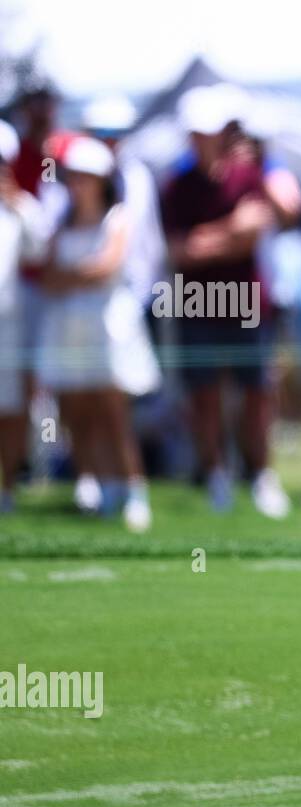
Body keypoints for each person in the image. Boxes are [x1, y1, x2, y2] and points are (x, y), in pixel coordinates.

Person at [160, 86, 288, 518]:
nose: (201, 141)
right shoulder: (176, 186)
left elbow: (257, 228)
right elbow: (180, 251)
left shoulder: (249, 175)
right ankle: (215, 475)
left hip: (248, 305)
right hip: (197, 303)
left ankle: (260, 474)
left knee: (256, 393)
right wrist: (230, 231)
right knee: (205, 396)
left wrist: (207, 239)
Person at [36, 137, 159, 531]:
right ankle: (98, 485)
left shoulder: (118, 217)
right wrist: (75, 278)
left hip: (109, 327)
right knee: (77, 409)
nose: (78, 185)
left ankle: (133, 490)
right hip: (68, 330)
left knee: (112, 411)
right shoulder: (62, 223)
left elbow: (106, 267)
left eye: (86, 178)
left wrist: (71, 278)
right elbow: (49, 276)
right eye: (73, 177)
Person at [0, 120, 47, 513]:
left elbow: (39, 252)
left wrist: (21, 203)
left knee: (12, 407)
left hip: (8, 322)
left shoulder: (19, 208)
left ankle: (7, 487)